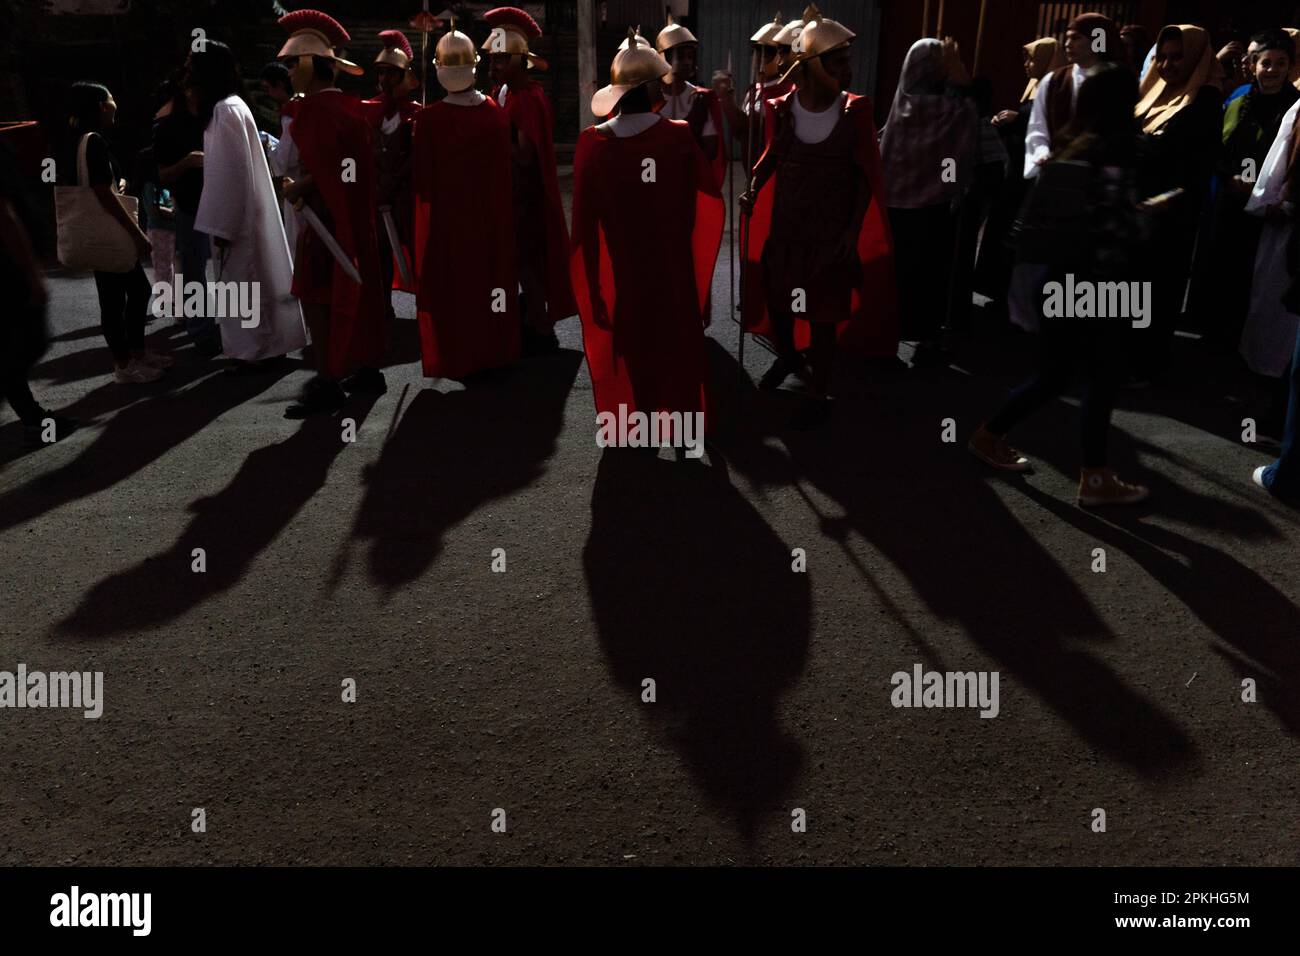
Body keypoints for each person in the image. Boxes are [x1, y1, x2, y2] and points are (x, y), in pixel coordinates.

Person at [969, 64, 1150, 507]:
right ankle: (1095, 477)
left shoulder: (1071, 146)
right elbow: (1117, 225)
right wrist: (1146, 215)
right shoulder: (1120, 149)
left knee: (1055, 375)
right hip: (1102, 283)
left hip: (1057, 277)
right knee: (1100, 379)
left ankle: (989, 435)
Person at [741, 9, 895, 427]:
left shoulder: (855, 111)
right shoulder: (784, 108)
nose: (847, 69)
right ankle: (789, 356)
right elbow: (773, 153)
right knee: (781, 300)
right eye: (837, 60)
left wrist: (851, 229)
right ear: (813, 66)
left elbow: (866, 174)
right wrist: (754, 186)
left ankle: (819, 386)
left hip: (830, 235)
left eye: (847, 60)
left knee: (824, 314)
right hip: (788, 228)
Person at [571, 31, 723, 451]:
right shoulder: (676, 137)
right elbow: (705, 200)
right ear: (654, 86)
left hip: (625, 269)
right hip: (671, 264)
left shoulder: (593, 142)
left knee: (634, 345)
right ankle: (680, 431)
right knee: (675, 345)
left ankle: (638, 427)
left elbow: (583, 225)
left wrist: (593, 287)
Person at [276, 8, 387, 417]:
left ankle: (327, 380)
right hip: (349, 218)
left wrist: (296, 187)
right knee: (358, 291)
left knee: (319, 299)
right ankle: (366, 367)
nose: (287, 71)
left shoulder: (316, 112)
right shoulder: (350, 107)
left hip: (324, 222)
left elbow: (321, 173)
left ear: (308, 65)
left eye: (291, 64)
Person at [410, 22, 519, 380]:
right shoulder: (492, 112)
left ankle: (460, 356)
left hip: (449, 221)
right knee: (489, 286)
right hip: (489, 218)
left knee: (456, 290)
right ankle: (492, 352)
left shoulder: (428, 120)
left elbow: (423, 182)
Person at [191, 40, 307, 370]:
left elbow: (230, 174)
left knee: (246, 283)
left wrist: (222, 224)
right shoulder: (231, 107)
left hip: (237, 219)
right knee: (254, 284)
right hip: (244, 215)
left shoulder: (225, 111)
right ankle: (263, 346)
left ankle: (255, 350)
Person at [58, 82, 168, 384]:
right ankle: (125, 364)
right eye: (110, 97)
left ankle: (135, 356)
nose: (114, 103)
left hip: (98, 231)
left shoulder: (74, 140)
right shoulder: (92, 141)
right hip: (108, 231)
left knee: (125, 294)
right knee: (118, 298)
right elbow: (101, 193)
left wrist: (115, 186)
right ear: (99, 105)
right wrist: (136, 234)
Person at [484, 5, 576, 356]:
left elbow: (524, 155)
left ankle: (541, 326)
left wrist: (497, 133)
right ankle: (525, 320)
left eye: (502, 60)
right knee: (515, 261)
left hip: (526, 195)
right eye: (492, 61)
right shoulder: (503, 93)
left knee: (527, 261)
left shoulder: (528, 98)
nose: (495, 67)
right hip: (507, 192)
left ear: (521, 61)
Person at [1198, 29, 1297, 350]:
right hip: (1229, 198)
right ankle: (1214, 330)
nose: (1272, 70)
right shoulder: (1238, 101)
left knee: (1252, 271)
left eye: (1280, 63)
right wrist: (1230, 178)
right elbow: (1217, 146)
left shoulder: (1294, 108)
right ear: (1253, 66)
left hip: (1268, 204)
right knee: (1221, 263)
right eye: (1266, 63)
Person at [879, 36, 976, 361]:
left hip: (894, 200)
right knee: (928, 273)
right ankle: (926, 335)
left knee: (899, 272)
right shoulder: (948, 107)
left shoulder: (901, 102)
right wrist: (961, 79)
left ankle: (890, 331)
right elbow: (968, 132)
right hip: (932, 204)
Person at [1134, 24, 1222, 380]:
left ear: (1196, 58)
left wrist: (1164, 199)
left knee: (1159, 290)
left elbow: (1198, 166)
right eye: (1162, 57)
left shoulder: (1206, 101)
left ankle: (1148, 363)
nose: (1168, 65)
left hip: (1171, 214)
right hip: (1138, 207)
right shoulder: (1152, 91)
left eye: (1177, 57)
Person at [1, 139, 76, 446]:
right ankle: (35, 421)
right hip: (6, 269)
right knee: (26, 343)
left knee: (11, 350)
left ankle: (35, 421)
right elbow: (4, 215)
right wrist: (32, 273)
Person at [154, 68, 218, 356]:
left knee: (227, 267)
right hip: (190, 206)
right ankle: (201, 330)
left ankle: (233, 324)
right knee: (193, 271)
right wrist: (187, 163)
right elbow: (163, 175)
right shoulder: (167, 126)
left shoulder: (216, 118)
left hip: (220, 202)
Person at [363, 29, 419, 319]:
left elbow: (418, 157)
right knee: (380, 251)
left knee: (417, 248)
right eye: (381, 72)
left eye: (391, 73)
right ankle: (382, 305)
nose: (385, 79)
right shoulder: (369, 111)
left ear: (403, 75)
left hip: (405, 195)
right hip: (379, 193)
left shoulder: (416, 114)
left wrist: (397, 177)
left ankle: (428, 305)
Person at [1024, 13, 1122, 179]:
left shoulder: (1116, 81)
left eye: (1076, 38)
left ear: (1097, 39)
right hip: (1056, 170)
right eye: (1067, 38)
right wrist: (1043, 155)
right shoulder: (1054, 81)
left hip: (1101, 173)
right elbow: (1038, 128)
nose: (1068, 44)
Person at [655, 15, 726, 189]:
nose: (687, 62)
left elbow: (710, 149)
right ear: (664, 56)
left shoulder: (700, 99)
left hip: (689, 183)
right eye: (680, 55)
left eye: (690, 56)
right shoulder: (649, 98)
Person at [261, 61, 302, 262]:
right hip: (304, 180)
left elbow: (285, 161)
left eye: (269, 88)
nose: (268, 93)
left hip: (297, 182)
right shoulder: (299, 108)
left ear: (279, 85)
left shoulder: (290, 115)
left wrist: (268, 145)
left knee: (297, 242)